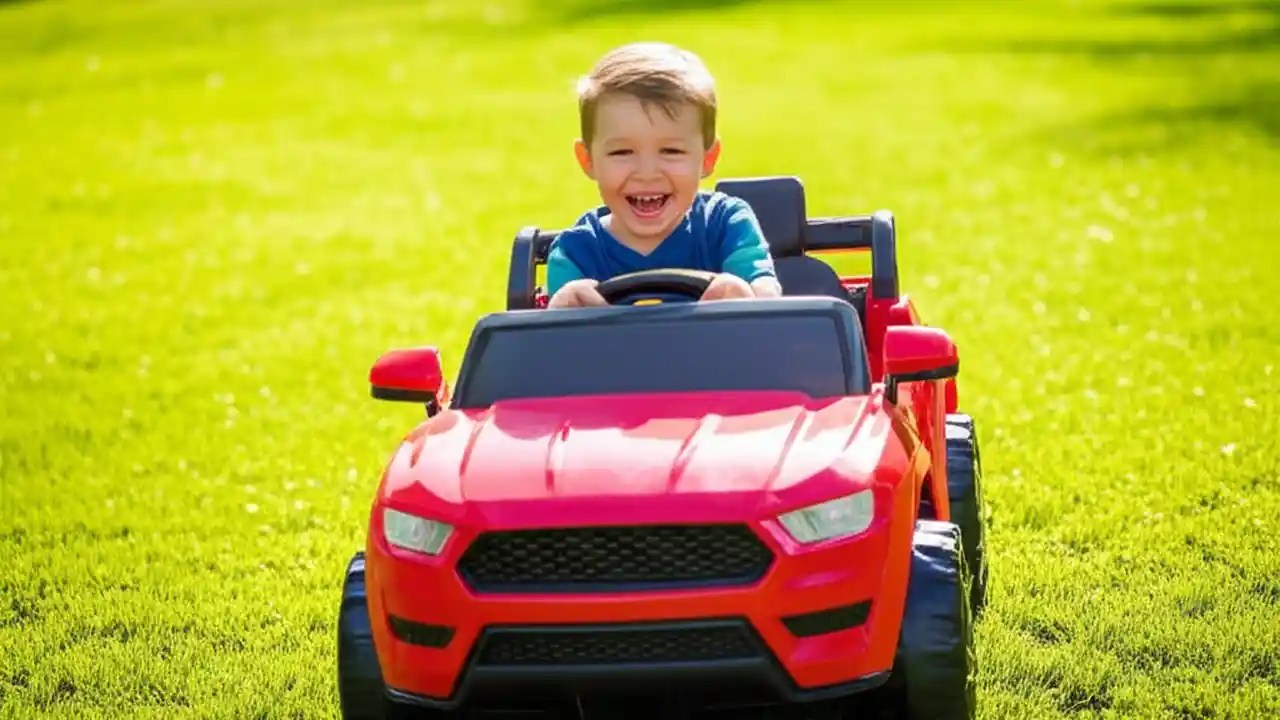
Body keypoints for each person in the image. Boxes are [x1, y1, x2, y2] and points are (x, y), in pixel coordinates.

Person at [545, 42, 783, 309]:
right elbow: (553, 346)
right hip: (611, 352)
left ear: (708, 158)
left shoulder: (725, 225)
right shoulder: (576, 253)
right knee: (571, 298)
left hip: (723, 350)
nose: (647, 173)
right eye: (622, 152)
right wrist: (567, 308)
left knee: (734, 289)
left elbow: (767, 303)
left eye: (671, 151)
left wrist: (743, 295)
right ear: (588, 160)